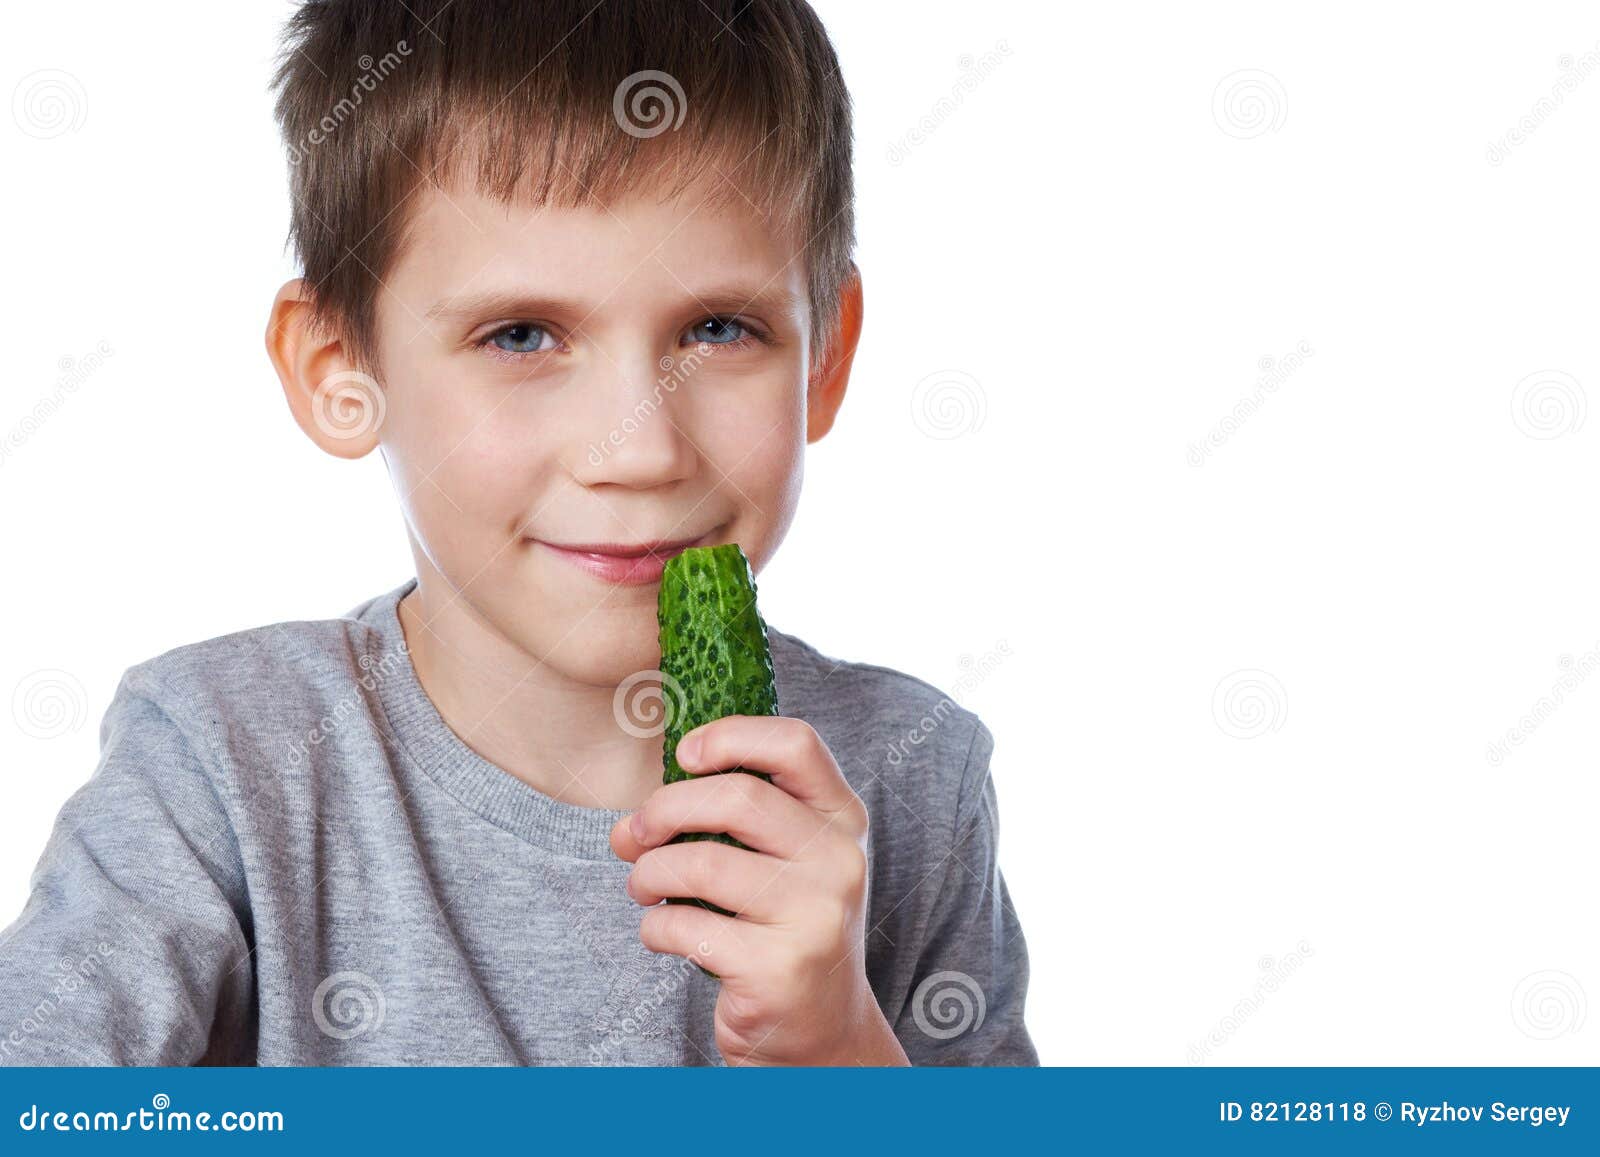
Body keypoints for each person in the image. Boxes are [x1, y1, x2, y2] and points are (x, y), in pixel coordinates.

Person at [0, 0, 1036, 1066]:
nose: (638, 449)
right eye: (522, 334)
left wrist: (841, 1059)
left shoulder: (912, 776)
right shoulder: (223, 762)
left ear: (824, 355)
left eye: (718, 327)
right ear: (339, 373)